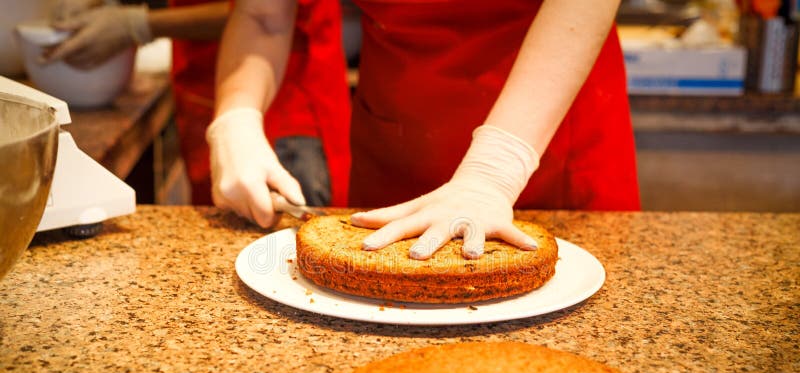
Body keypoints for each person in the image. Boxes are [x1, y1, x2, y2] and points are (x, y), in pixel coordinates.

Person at [208, 0, 639, 260]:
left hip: (545, 128)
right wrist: (237, 114)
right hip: (399, 132)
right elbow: (264, 16)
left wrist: (495, 170)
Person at [44, 0, 351, 210]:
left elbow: (270, 14)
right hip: (216, 100)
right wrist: (234, 120)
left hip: (288, 112)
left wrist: (142, 24)